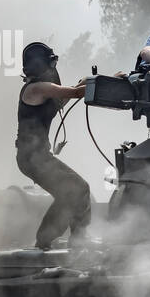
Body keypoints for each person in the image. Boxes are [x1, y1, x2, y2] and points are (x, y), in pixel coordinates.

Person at [15, 42, 91, 249]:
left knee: (69, 192)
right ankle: (73, 240)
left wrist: (91, 81)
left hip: (36, 157)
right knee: (79, 188)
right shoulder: (36, 88)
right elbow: (75, 93)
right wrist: (108, 83)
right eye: (52, 62)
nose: (54, 67)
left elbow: (70, 94)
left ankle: (46, 240)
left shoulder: (43, 92)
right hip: (33, 157)